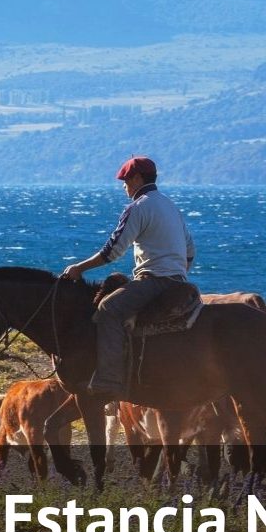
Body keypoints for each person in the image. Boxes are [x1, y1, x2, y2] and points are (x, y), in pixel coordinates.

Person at [61, 156, 195, 396]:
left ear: (137, 178)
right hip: (179, 281)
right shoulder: (170, 206)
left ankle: (109, 381)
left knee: (108, 309)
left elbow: (113, 251)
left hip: (154, 281)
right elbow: (190, 252)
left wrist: (79, 268)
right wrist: (177, 272)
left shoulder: (138, 207)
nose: (124, 186)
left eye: (125, 180)